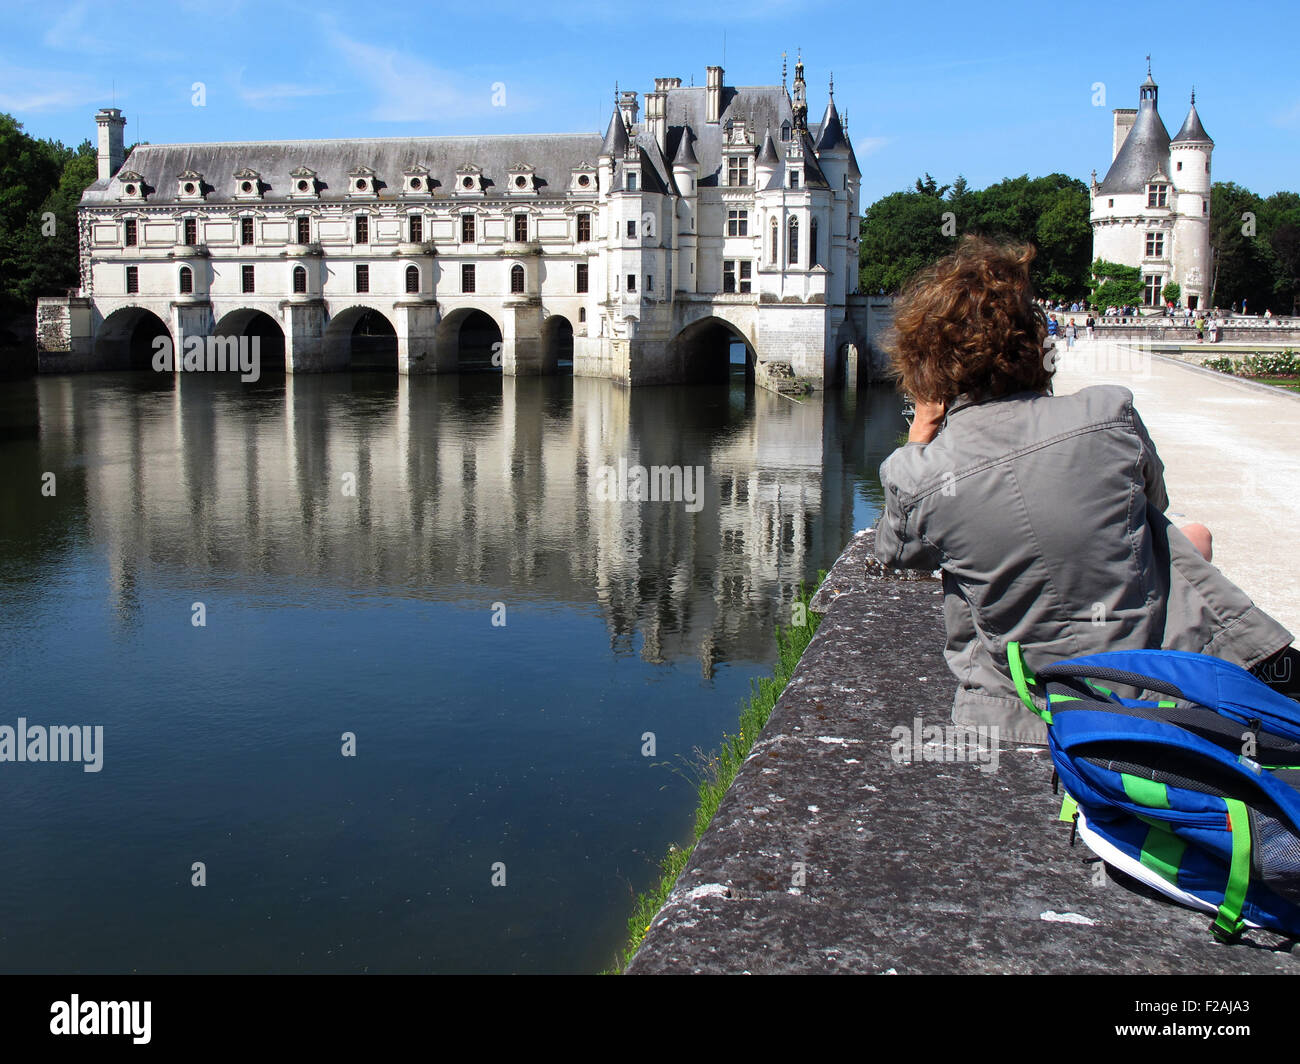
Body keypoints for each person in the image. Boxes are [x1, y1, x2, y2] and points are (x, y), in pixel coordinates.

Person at [873, 236, 1296, 745]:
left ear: (926, 369)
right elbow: (1151, 504)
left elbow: (896, 554)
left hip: (1023, 704)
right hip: (1157, 680)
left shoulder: (919, 474)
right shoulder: (1109, 414)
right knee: (1182, 535)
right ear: (1036, 344)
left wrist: (920, 436)